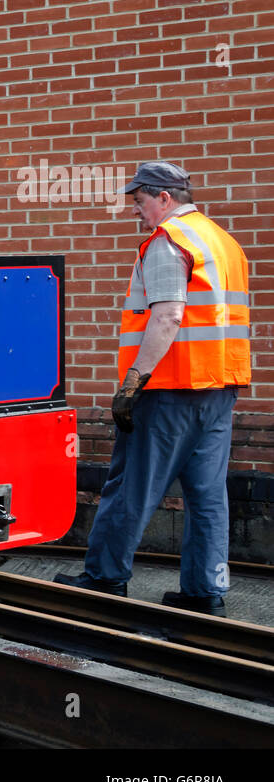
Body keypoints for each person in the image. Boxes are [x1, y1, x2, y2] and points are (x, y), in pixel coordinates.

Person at [54, 162, 250, 617]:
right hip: (218, 389)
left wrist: (132, 383)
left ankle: (104, 578)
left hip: (169, 389)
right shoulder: (224, 243)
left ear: (164, 198)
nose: (136, 212)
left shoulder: (168, 242)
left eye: (139, 201)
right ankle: (206, 592)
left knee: (130, 487)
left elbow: (168, 317)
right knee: (207, 496)